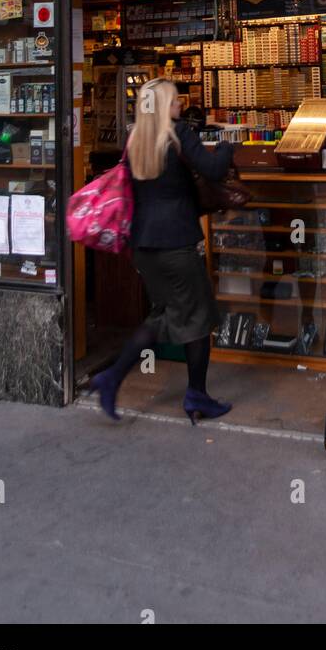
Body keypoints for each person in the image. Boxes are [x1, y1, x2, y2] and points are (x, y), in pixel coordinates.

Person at [87, 78, 235, 424]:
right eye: (175, 100)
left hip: (143, 246)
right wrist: (227, 146)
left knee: (162, 315)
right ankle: (197, 395)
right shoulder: (178, 133)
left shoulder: (134, 138)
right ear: (166, 105)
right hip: (176, 244)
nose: (180, 105)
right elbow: (213, 170)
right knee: (198, 318)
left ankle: (111, 378)